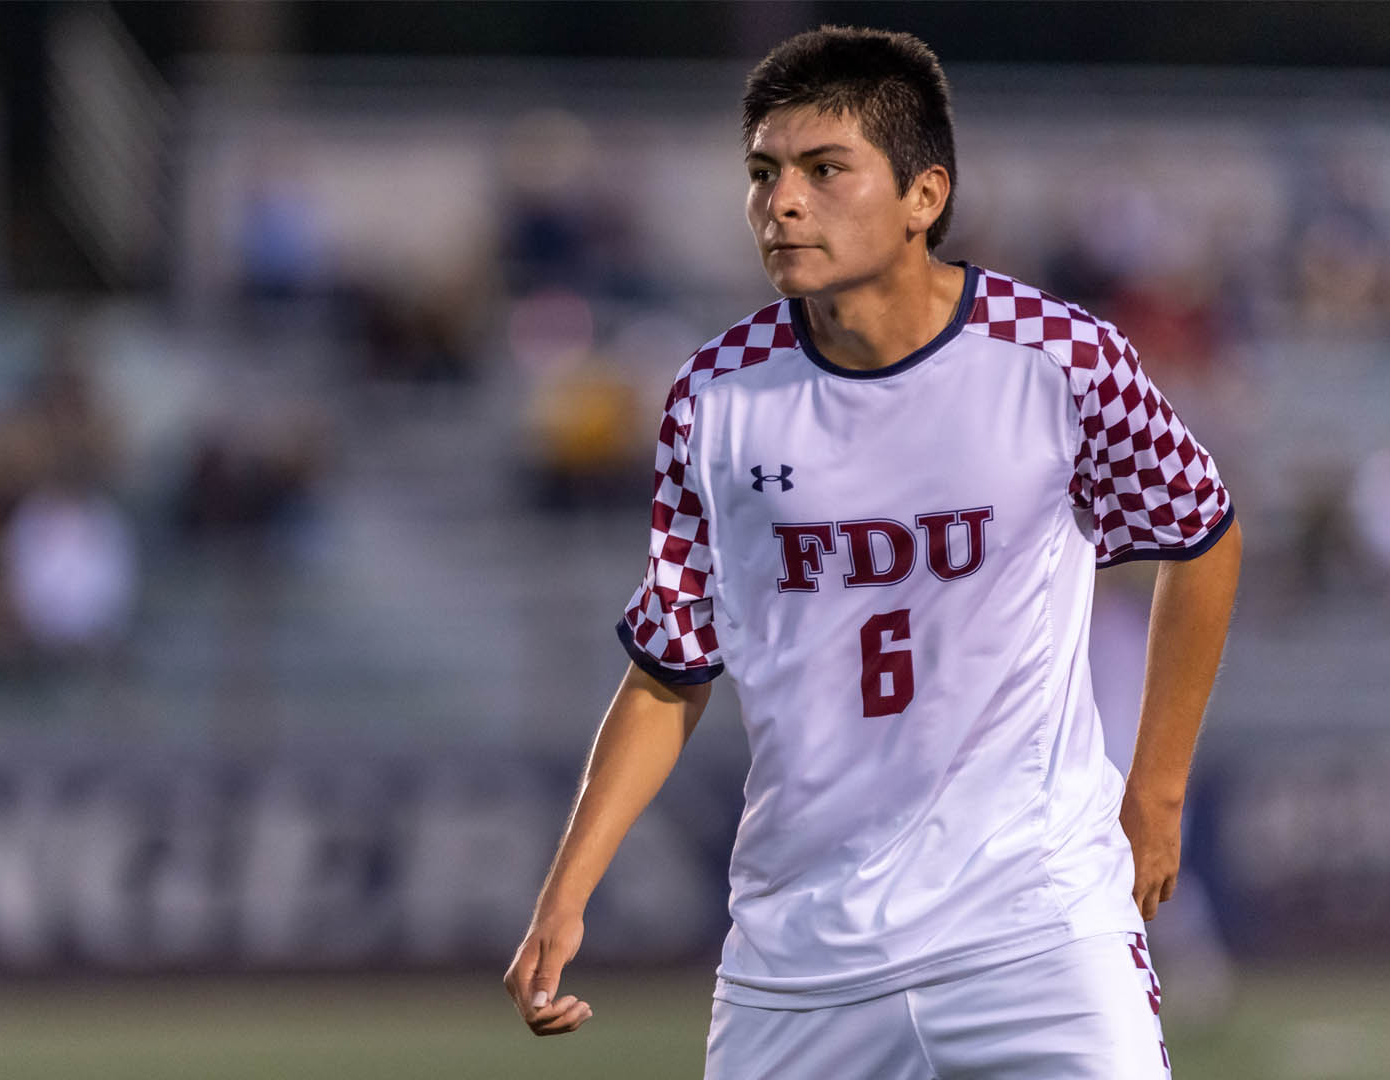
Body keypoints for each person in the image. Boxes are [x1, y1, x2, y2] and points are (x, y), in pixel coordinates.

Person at [503, 26, 1241, 1079]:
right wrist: (565, 893)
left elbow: (1200, 532)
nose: (782, 202)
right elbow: (671, 666)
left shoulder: (1059, 359)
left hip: (1034, 926)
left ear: (923, 195)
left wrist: (1157, 795)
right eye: (763, 173)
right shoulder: (712, 398)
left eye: (823, 169)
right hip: (799, 956)